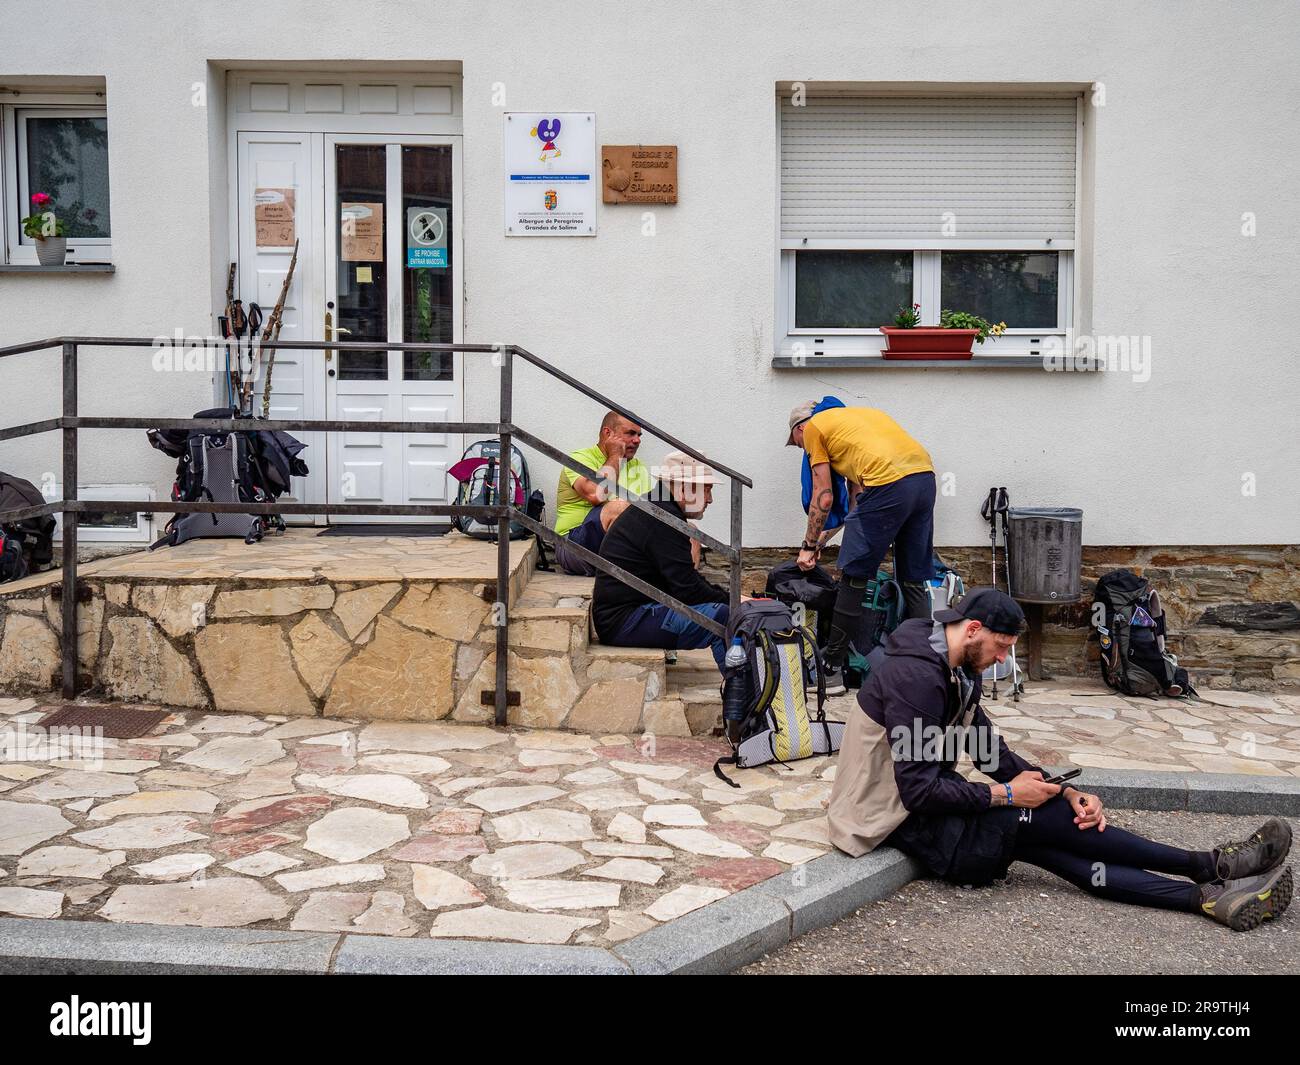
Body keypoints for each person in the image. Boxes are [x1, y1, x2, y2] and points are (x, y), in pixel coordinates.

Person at [828, 588, 1294, 931]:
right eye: (1001, 648)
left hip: (921, 809)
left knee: (1061, 846)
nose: (1001, 660)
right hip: (888, 817)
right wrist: (1010, 794)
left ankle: (1208, 896)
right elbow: (919, 789)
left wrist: (1064, 790)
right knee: (1048, 826)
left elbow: (990, 752)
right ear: (973, 630)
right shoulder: (916, 678)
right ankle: (1210, 866)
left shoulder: (955, 666)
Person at [787, 401, 937, 694]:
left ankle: (830, 670)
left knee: (854, 576)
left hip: (888, 484)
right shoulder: (862, 418)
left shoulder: (815, 429)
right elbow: (858, 502)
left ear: (800, 428)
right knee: (913, 578)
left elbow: (824, 496)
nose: (803, 451)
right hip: (924, 478)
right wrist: (822, 540)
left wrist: (807, 546)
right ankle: (929, 666)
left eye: (797, 444)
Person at [592, 450, 736, 670]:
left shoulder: (658, 508)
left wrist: (734, 599)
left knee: (727, 610)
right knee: (724, 617)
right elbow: (688, 590)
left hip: (630, 613)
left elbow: (686, 583)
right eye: (706, 489)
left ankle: (746, 693)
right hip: (624, 621)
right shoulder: (661, 518)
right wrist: (735, 601)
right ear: (683, 487)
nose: (710, 499)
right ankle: (743, 699)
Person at [552, 412, 653, 577]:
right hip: (574, 547)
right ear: (608, 434)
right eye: (630, 433)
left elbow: (650, 510)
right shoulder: (580, 458)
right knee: (619, 507)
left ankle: (685, 592)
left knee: (687, 530)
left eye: (639, 435)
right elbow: (597, 495)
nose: (637, 440)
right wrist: (615, 456)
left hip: (621, 547)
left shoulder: (638, 467)